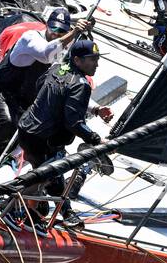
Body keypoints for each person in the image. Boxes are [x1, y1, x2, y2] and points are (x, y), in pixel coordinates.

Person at [0, 7, 93, 173]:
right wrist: (74, 32)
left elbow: (65, 87)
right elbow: (45, 53)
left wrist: (94, 109)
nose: (56, 33)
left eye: (61, 31)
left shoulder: (61, 53)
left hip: (22, 102)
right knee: (9, 123)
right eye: (53, 28)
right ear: (47, 25)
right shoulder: (30, 37)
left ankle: (43, 173)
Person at [17, 39, 106, 227]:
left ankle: (64, 212)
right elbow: (74, 122)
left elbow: (39, 86)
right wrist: (96, 139)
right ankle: (21, 215)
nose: (97, 64)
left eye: (97, 59)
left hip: (26, 131)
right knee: (48, 179)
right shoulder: (81, 85)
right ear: (78, 60)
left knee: (52, 177)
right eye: (92, 60)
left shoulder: (57, 68)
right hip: (43, 140)